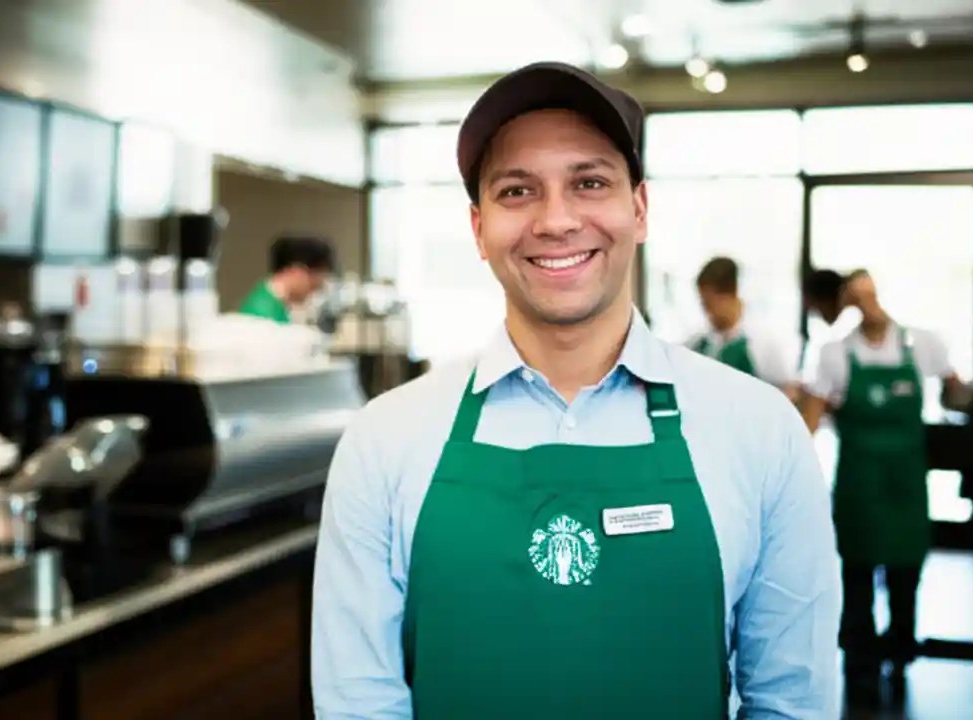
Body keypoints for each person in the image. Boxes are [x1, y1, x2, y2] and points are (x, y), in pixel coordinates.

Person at [311, 61, 840, 719]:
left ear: (638, 209)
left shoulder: (760, 429)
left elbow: (792, 701)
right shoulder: (385, 438)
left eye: (589, 182)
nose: (557, 221)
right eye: (516, 191)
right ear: (479, 229)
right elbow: (359, 702)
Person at [800, 269, 969, 709]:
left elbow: (955, 395)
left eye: (871, 294)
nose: (867, 303)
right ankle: (860, 668)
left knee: (904, 574)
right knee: (855, 577)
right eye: (857, 297)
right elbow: (810, 423)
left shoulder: (921, 344)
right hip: (858, 483)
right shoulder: (836, 354)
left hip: (906, 484)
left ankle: (900, 655)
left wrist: (972, 396)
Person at [687, 256, 798, 396]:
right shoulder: (697, 343)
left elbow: (789, 391)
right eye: (703, 304)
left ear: (730, 296)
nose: (706, 311)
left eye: (709, 303)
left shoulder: (763, 342)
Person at [238, 235, 335, 324]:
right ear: (297, 271)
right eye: (313, 285)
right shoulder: (263, 313)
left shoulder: (276, 306)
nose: (313, 293)